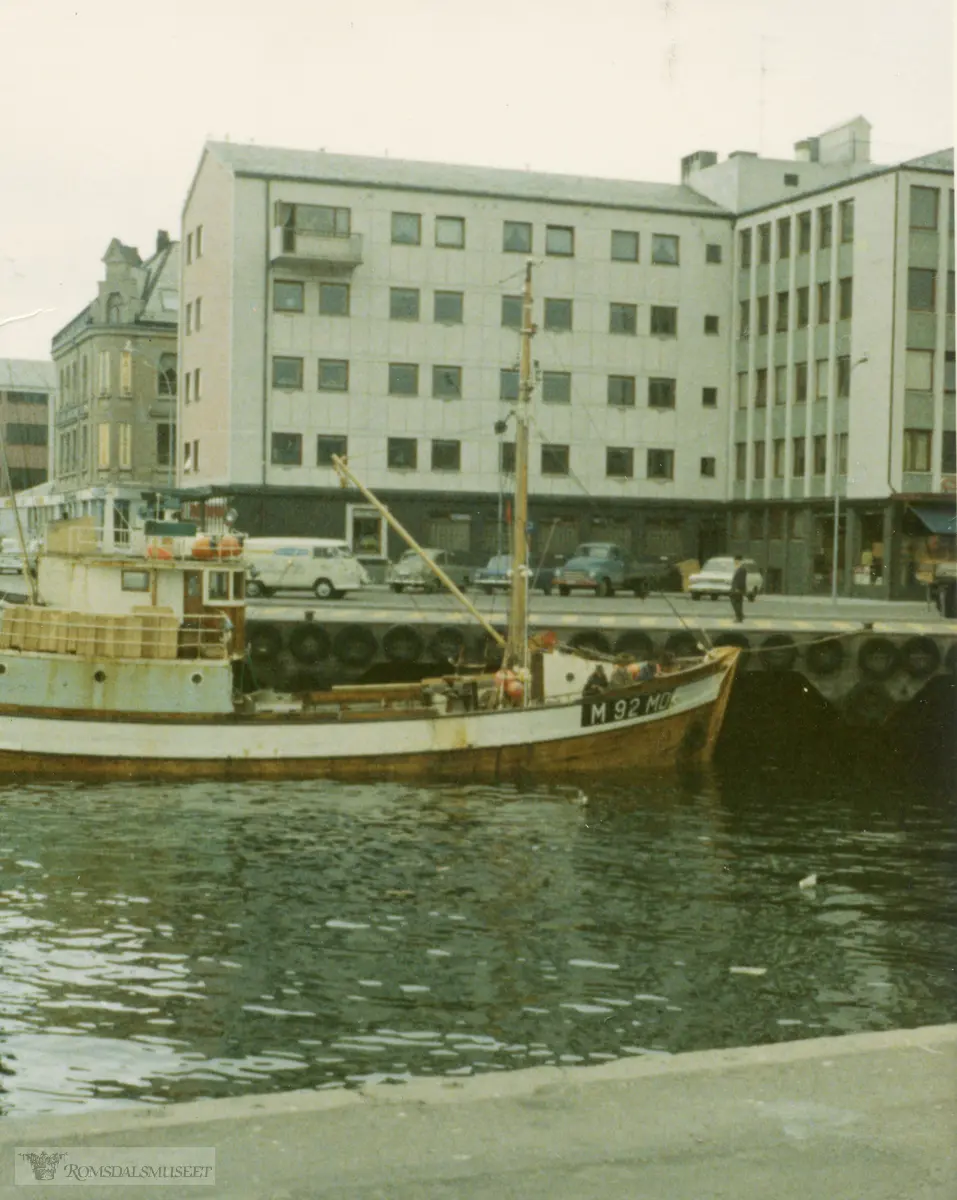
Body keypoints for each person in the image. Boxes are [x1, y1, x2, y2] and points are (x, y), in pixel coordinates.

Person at [729, 556, 748, 622]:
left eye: (736, 561)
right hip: (735, 588)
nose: (735, 562)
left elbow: (741, 580)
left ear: (739, 561)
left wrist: (738, 588)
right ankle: (740, 616)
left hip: (738, 589)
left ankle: (739, 617)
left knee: (736, 603)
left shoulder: (742, 569)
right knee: (737, 603)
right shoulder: (738, 568)